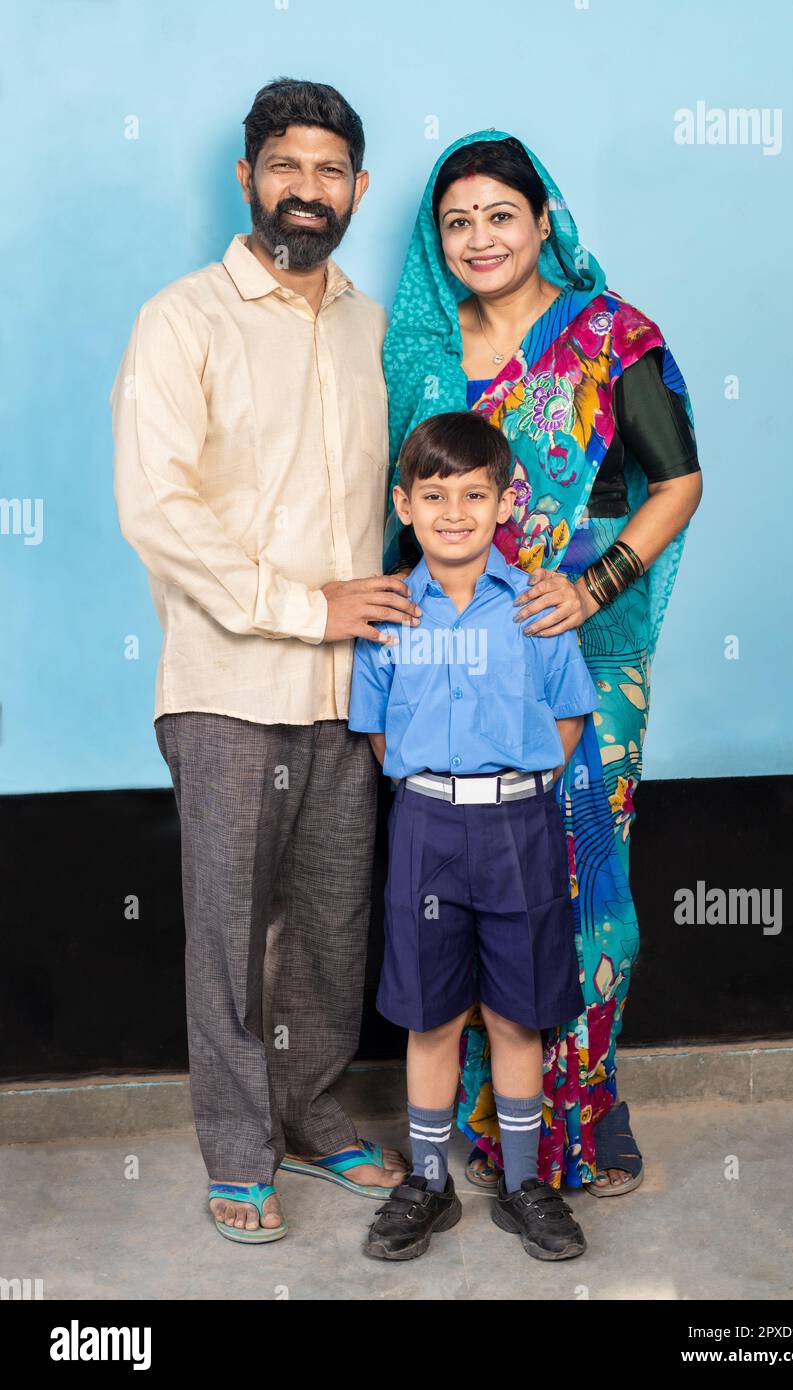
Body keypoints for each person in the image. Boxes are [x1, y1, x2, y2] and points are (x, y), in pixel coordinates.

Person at [110, 78, 415, 1244]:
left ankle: (314, 1107)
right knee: (233, 934)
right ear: (247, 177)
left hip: (351, 685)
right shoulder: (180, 318)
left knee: (335, 924)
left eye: (330, 171)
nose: (307, 189)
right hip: (228, 681)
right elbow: (157, 510)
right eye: (285, 165)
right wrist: (305, 604)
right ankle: (238, 1151)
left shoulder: (372, 324)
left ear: (357, 189)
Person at [382, 130, 703, 1195]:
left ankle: (590, 1101)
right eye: (456, 221)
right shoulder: (424, 352)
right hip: (458, 653)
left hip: (580, 645)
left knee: (585, 871)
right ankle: (490, 1109)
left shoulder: (609, 334)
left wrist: (593, 584)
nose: (479, 238)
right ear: (438, 239)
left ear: (542, 221)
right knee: (475, 882)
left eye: (499, 216)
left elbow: (676, 481)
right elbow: (396, 507)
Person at [349, 411, 601, 1261]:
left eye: (473, 493)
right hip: (425, 824)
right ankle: (428, 1181)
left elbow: (567, 721)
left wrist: (505, 787)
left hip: (519, 824)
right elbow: (382, 735)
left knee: (518, 1012)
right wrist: (446, 788)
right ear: (404, 504)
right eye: (433, 494)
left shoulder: (537, 608)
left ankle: (526, 1180)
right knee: (430, 1015)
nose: (453, 511)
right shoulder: (388, 614)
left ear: (503, 503)